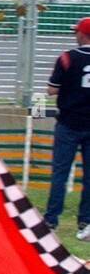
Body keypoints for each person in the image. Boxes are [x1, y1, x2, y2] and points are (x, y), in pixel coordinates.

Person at [45, 17, 90, 238]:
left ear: (82, 35)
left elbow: (52, 90)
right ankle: (86, 222)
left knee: (60, 173)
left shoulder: (67, 58)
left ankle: (51, 220)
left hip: (68, 124)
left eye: (76, 32)